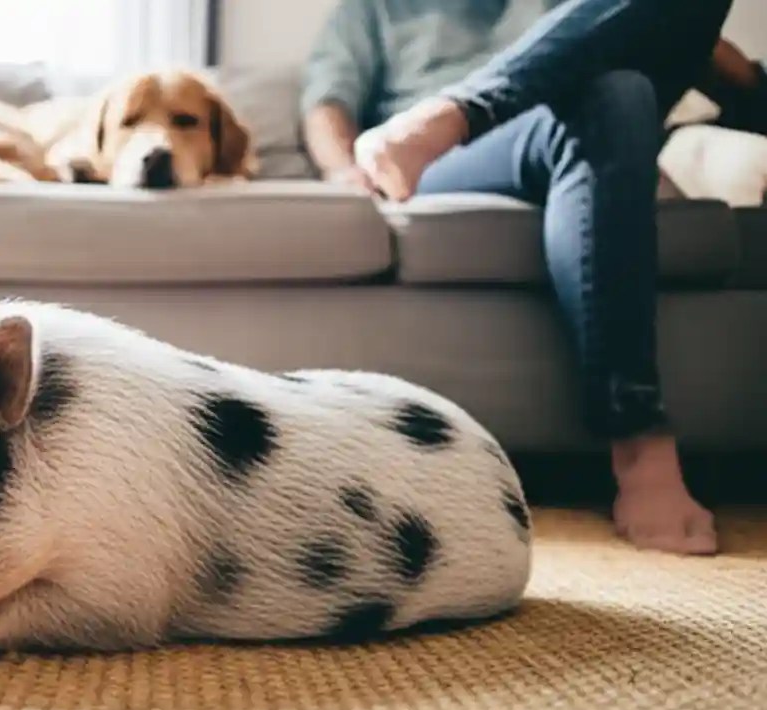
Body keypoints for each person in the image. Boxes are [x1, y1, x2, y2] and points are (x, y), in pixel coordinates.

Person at [301, 0, 761, 555]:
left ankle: (458, 108)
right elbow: (326, 103)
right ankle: (639, 441)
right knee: (611, 97)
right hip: (451, 161)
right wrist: (344, 171)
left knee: (617, 92)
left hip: (601, 118)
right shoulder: (377, 9)